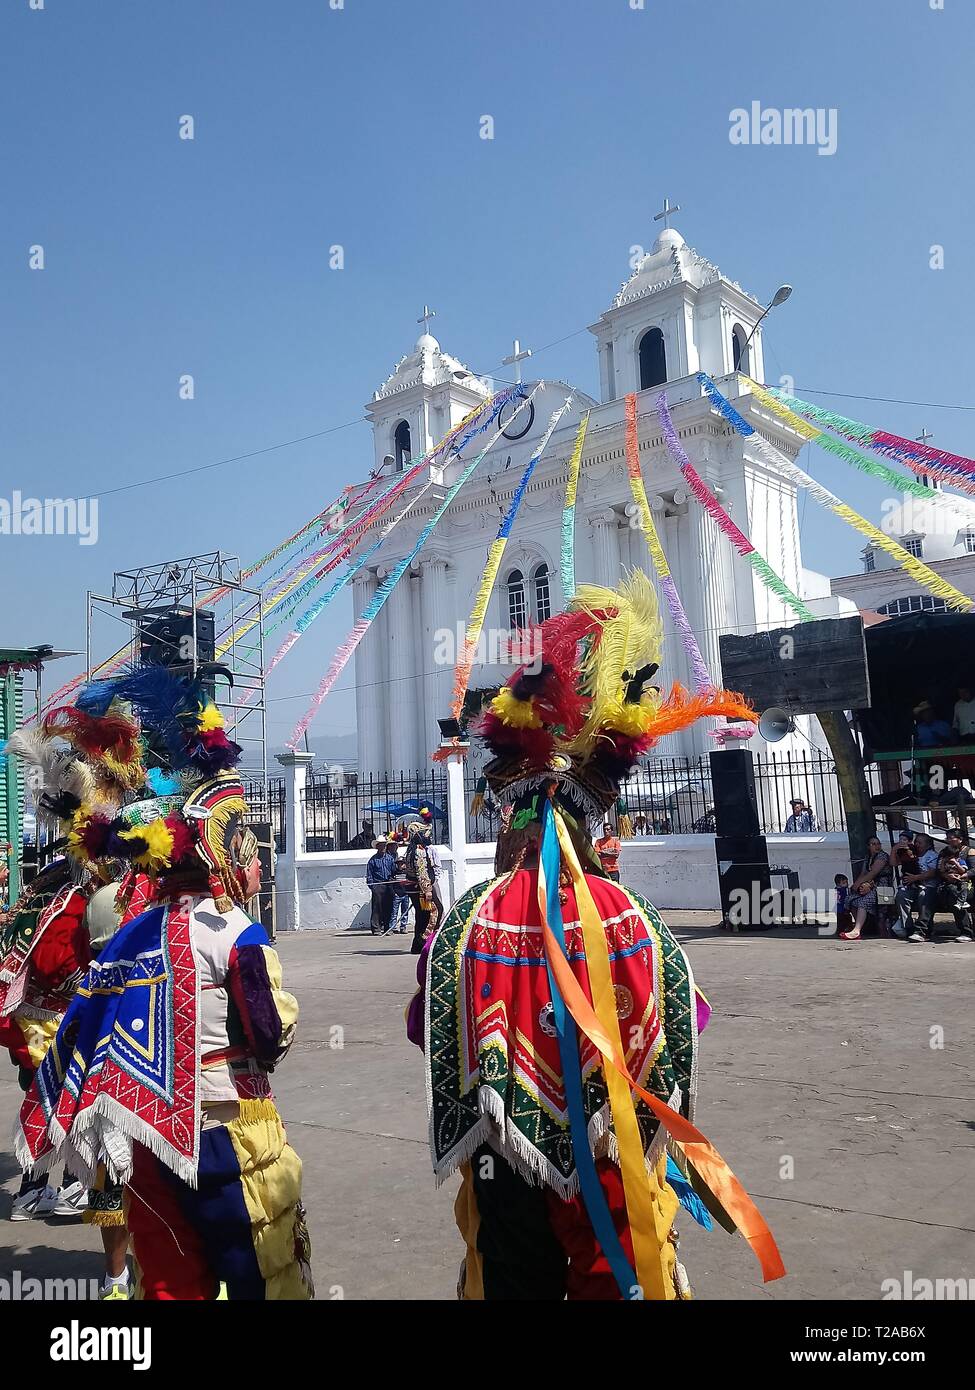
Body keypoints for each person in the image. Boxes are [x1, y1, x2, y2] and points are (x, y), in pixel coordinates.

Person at [406, 572, 783, 1300]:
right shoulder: (632, 918)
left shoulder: (464, 923)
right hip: (613, 1151)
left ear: (509, 825)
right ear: (592, 828)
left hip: (503, 1153)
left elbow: (427, 1029)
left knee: (512, 1280)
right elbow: (687, 1019)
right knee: (617, 1279)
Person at [18, 668, 312, 1300]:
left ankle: (120, 1280)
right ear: (225, 852)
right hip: (225, 1126)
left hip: (143, 1123)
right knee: (254, 1266)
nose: (259, 860)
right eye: (252, 847)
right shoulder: (235, 932)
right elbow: (269, 1033)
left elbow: (78, 1011)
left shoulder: (130, 928)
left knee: (172, 1276)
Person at [838, 836, 893, 940]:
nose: (877, 846)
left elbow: (873, 873)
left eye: (878, 843)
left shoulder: (882, 856)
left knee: (863, 902)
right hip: (870, 885)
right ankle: (859, 926)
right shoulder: (868, 857)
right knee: (851, 899)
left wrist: (858, 884)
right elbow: (864, 873)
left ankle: (856, 931)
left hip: (882, 888)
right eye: (873, 844)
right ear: (868, 846)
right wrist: (856, 886)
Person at [404, 819, 441, 954]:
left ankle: (418, 945)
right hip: (420, 889)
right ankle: (424, 942)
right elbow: (421, 872)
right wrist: (427, 890)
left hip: (413, 888)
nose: (427, 836)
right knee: (434, 912)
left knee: (421, 916)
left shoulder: (410, 850)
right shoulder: (419, 851)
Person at [895, 832, 940, 941]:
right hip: (911, 886)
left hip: (928, 886)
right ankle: (908, 927)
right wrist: (894, 849)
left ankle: (924, 929)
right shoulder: (909, 853)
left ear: (928, 845)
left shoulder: (932, 855)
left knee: (923, 896)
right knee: (901, 896)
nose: (917, 844)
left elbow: (933, 872)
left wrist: (916, 877)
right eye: (916, 842)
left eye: (920, 843)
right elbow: (894, 863)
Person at [934, 831, 974, 941]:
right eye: (948, 838)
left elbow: (973, 870)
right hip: (949, 884)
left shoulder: (969, 851)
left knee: (957, 898)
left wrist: (962, 876)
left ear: (960, 839)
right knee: (953, 895)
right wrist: (947, 876)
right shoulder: (945, 852)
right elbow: (938, 869)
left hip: (967, 884)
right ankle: (964, 930)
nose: (949, 840)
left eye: (952, 838)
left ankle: (966, 932)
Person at [365, 837, 397, 935]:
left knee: (389, 907)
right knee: (377, 908)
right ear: (377, 847)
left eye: (384, 845)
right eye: (381, 845)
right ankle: (376, 928)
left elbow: (393, 872)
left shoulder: (390, 859)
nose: (383, 847)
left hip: (388, 884)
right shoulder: (373, 860)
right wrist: (373, 887)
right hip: (377, 885)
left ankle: (387, 928)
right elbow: (369, 875)